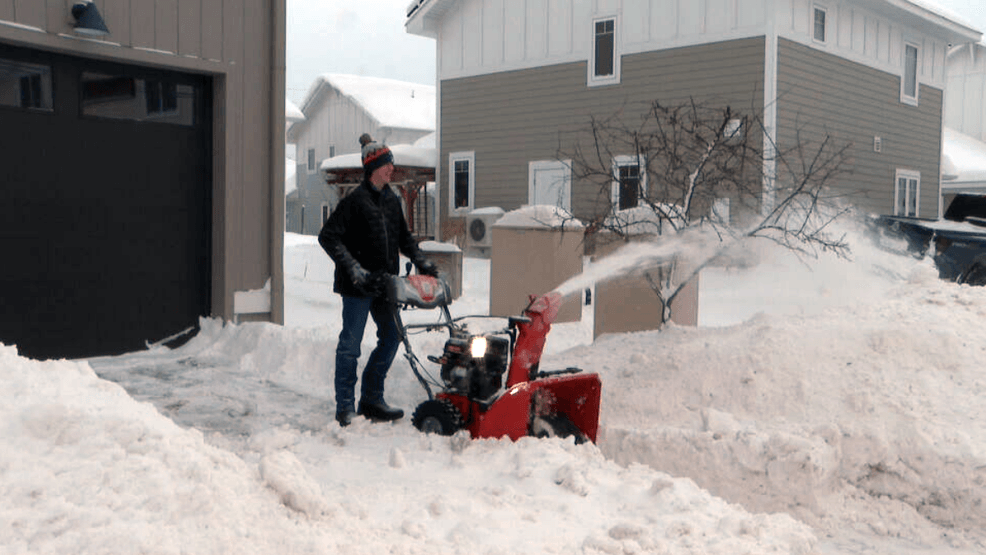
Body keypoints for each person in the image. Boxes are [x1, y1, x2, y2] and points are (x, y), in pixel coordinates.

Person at [319, 133, 439, 427]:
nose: (391, 169)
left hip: (385, 284)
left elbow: (404, 239)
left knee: (392, 336)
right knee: (351, 344)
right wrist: (354, 269)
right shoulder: (354, 202)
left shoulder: (391, 201)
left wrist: (422, 261)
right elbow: (328, 237)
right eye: (387, 165)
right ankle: (345, 407)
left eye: (392, 164)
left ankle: (371, 399)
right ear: (373, 168)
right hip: (357, 287)